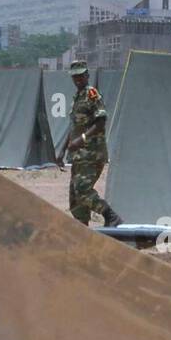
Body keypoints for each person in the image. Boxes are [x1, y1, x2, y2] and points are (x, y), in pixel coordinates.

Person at [64, 59, 122, 226]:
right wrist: (62, 152)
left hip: (92, 153)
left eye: (81, 76)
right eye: (75, 77)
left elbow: (101, 122)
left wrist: (81, 139)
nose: (78, 79)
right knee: (75, 197)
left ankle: (111, 216)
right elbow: (74, 127)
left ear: (87, 75)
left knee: (82, 190)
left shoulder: (92, 94)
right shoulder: (77, 98)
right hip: (79, 155)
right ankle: (82, 228)